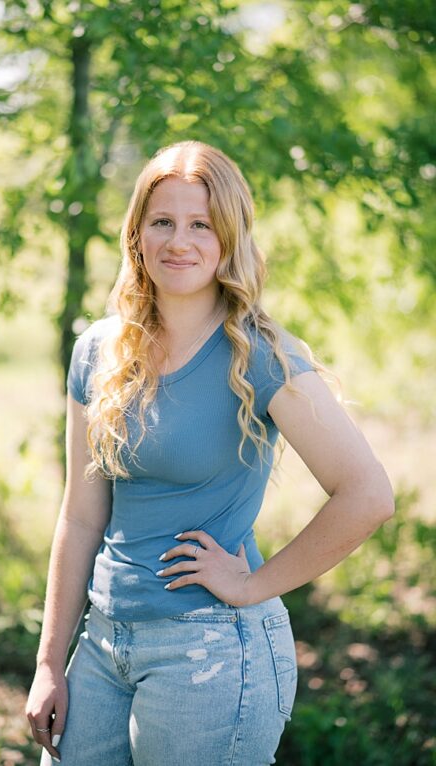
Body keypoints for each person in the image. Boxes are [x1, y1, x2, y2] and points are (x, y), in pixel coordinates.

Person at [25, 141, 394, 764]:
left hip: (213, 649)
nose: (180, 241)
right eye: (163, 221)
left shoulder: (262, 355)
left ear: (229, 238)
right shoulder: (98, 351)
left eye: (201, 225)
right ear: (137, 233)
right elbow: (80, 517)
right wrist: (48, 661)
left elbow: (369, 495)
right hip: (102, 642)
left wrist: (253, 584)